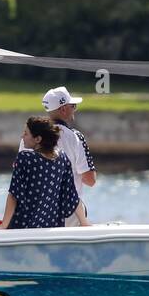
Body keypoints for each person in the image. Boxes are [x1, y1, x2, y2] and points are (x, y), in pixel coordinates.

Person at [1, 116, 81, 229]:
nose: (22, 136)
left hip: (23, 227)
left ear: (38, 139)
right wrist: (85, 222)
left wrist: (3, 226)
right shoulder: (62, 157)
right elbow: (71, 196)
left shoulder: (25, 158)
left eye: (26, 133)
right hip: (53, 226)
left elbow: (14, 195)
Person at [42, 86, 96, 226]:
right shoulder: (75, 137)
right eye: (73, 106)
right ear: (63, 109)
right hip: (69, 212)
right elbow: (90, 180)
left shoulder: (28, 137)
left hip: (38, 210)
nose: (75, 109)